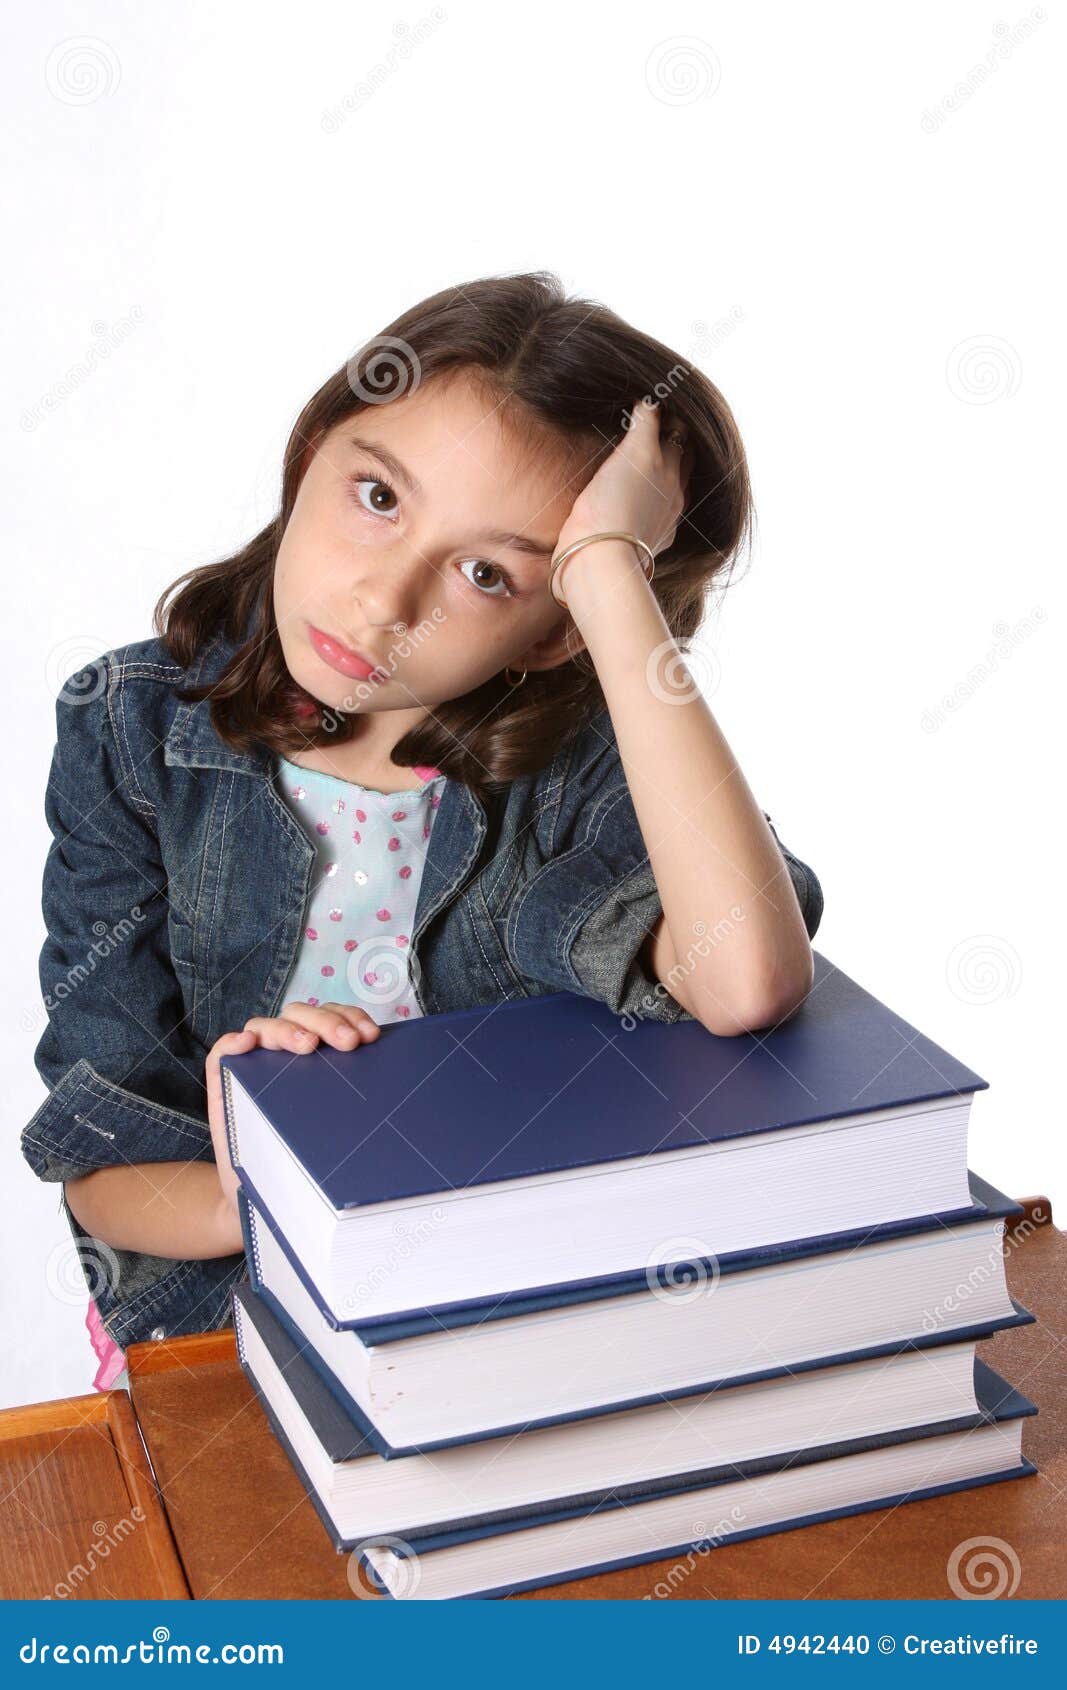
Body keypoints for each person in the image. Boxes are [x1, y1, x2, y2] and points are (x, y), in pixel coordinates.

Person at [21, 271, 824, 1388]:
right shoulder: (129, 734)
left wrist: (605, 575)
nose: (382, 602)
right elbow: (101, 1161)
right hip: (218, 1318)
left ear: (553, 634)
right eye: (379, 497)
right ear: (312, 449)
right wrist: (265, 1181)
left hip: (505, 1333)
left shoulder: (571, 775)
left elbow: (743, 979)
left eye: (490, 573)